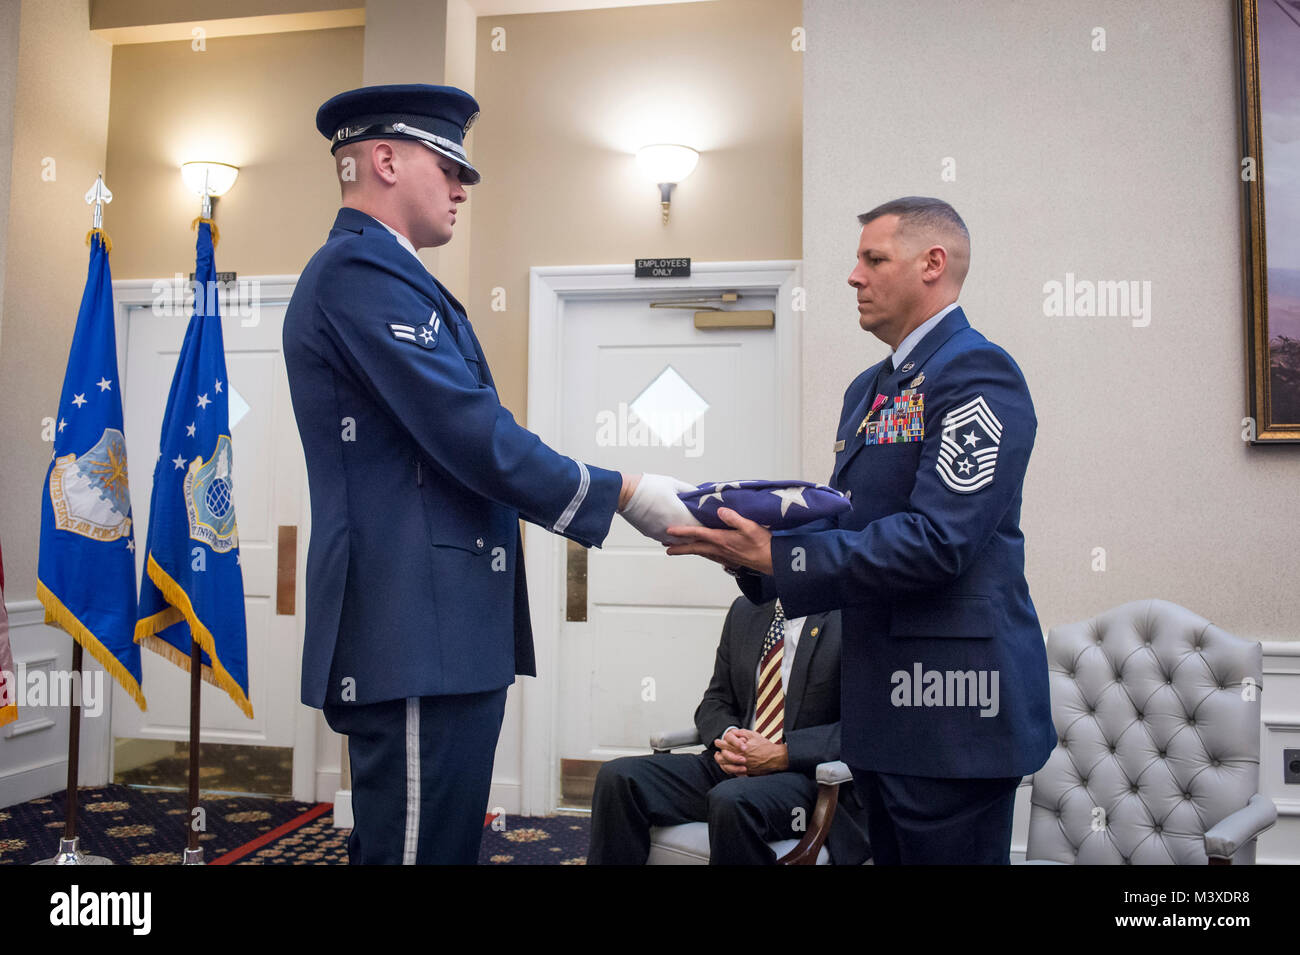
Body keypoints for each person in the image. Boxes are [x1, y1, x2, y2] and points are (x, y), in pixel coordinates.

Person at [283, 84, 693, 864]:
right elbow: (469, 434)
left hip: (440, 634)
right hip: (409, 631)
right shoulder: (356, 273)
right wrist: (623, 493)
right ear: (384, 160)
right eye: (449, 165)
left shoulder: (392, 275)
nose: (464, 185)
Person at [666, 197, 1056, 864]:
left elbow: (939, 540)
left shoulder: (977, 372)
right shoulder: (868, 389)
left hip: (951, 722)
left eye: (873, 259)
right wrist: (752, 554)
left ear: (933, 264)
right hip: (877, 720)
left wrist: (782, 554)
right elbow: (851, 528)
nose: (852, 276)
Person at [588, 596, 869, 865]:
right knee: (619, 778)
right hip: (731, 768)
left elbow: (865, 728)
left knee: (732, 799)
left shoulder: (852, 614)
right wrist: (728, 737)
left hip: (805, 780)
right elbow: (715, 699)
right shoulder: (746, 609)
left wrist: (783, 753)